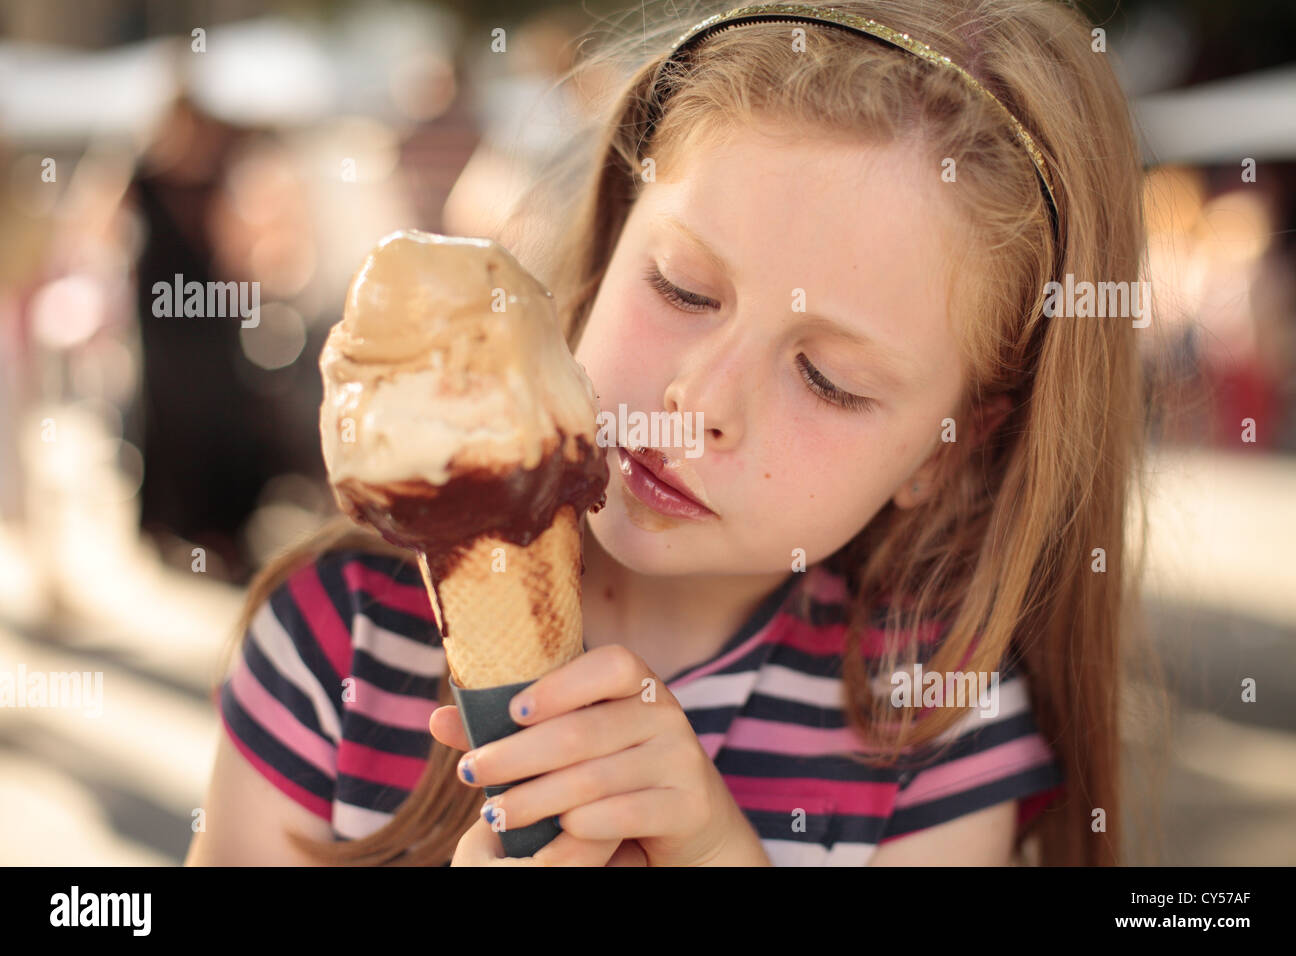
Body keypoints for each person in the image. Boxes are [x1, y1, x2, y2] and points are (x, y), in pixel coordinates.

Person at [186, 0, 1168, 867]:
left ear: (945, 447)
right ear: (613, 238)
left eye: (829, 379)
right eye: (682, 289)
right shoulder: (336, 642)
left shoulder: (939, 728)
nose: (699, 399)